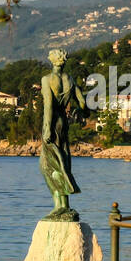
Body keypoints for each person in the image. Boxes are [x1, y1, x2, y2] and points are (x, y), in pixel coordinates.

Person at [39, 49, 88, 220]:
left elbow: (48, 106)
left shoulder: (47, 80)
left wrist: (46, 128)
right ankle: (64, 205)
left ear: (52, 61)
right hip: (64, 124)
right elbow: (83, 102)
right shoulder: (70, 80)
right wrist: (79, 111)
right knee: (63, 161)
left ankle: (58, 206)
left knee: (47, 165)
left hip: (53, 122)